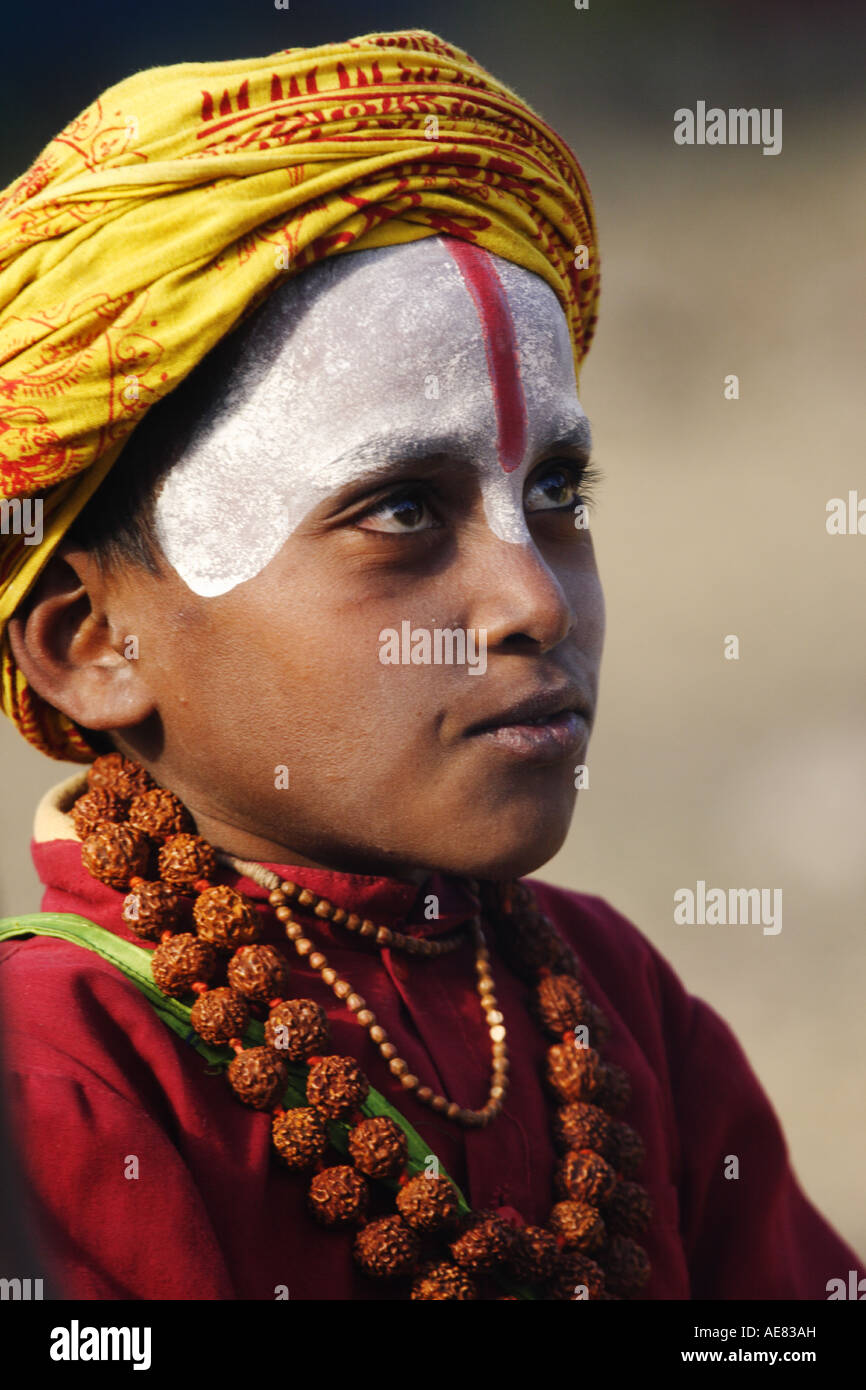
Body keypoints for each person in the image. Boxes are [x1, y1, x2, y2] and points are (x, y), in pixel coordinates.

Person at [0, 29, 859, 1301]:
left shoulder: (603, 1003)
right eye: (399, 510)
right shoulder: (59, 1078)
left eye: (557, 491)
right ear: (93, 644)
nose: (532, 599)